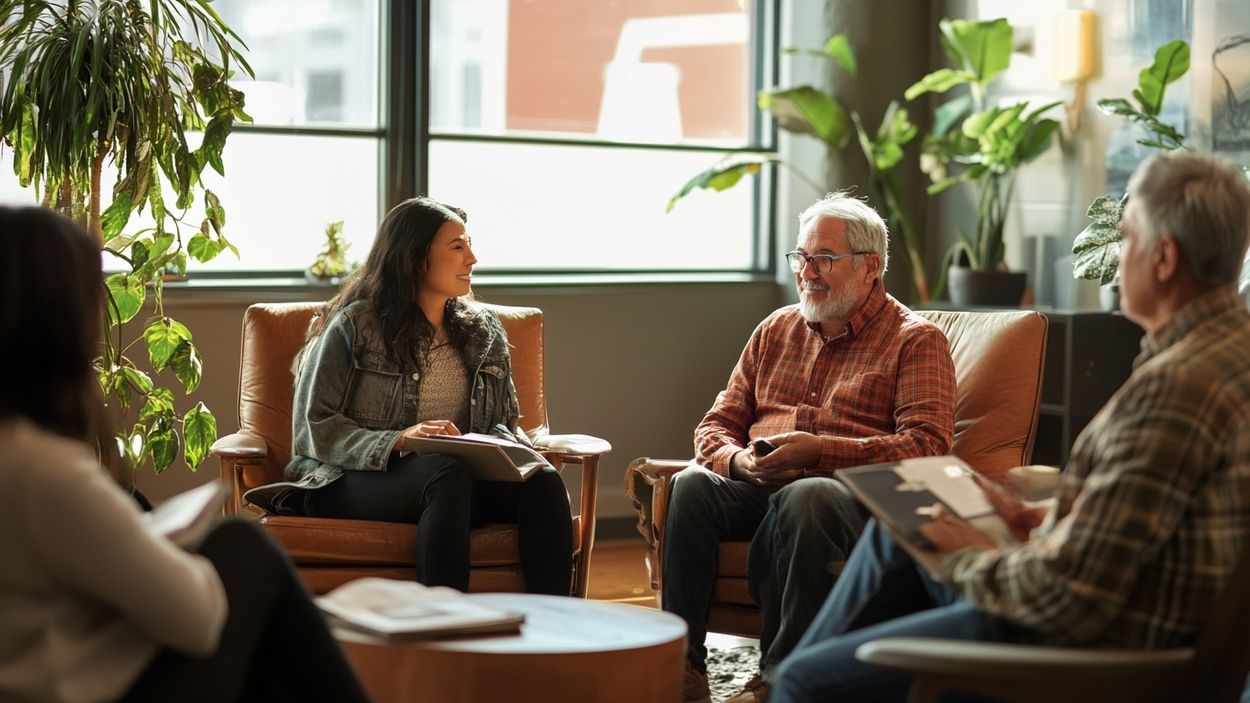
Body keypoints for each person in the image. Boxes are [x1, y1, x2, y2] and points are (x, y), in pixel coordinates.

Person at [768, 151, 1250, 703]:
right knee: (902, 528)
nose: (1117, 258)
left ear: (1163, 258)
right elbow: (1154, 511)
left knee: (806, 681)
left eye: (1127, 238)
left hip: (1084, 652)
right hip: (1127, 616)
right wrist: (1040, 515)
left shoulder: (1178, 388)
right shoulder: (1227, 356)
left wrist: (971, 555)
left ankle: (801, 679)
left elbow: (1066, 595)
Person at [0, 206, 369, 703]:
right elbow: (197, 619)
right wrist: (175, 554)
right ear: (56, 320)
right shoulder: (41, 471)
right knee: (242, 546)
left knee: (139, 505)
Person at [665, 192, 957, 703]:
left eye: (823, 258)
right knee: (690, 484)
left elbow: (927, 446)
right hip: (760, 487)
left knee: (809, 495)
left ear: (871, 268)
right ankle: (681, 669)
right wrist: (738, 462)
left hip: (846, 504)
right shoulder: (776, 329)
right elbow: (715, 425)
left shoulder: (916, 340)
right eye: (800, 256)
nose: (807, 271)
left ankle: (780, 679)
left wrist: (820, 452)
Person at [286, 196, 573, 595]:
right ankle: (444, 630)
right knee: (446, 472)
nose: (472, 257)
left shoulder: (483, 330)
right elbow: (313, 428)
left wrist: (503, 450)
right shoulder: (355, 324)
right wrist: (401, 440)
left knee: (543, 483)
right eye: (457, 247)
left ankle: (557, 631)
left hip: (451, 484)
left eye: (469, 243)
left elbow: (504, 421)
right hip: (347, 479)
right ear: (415, 257)